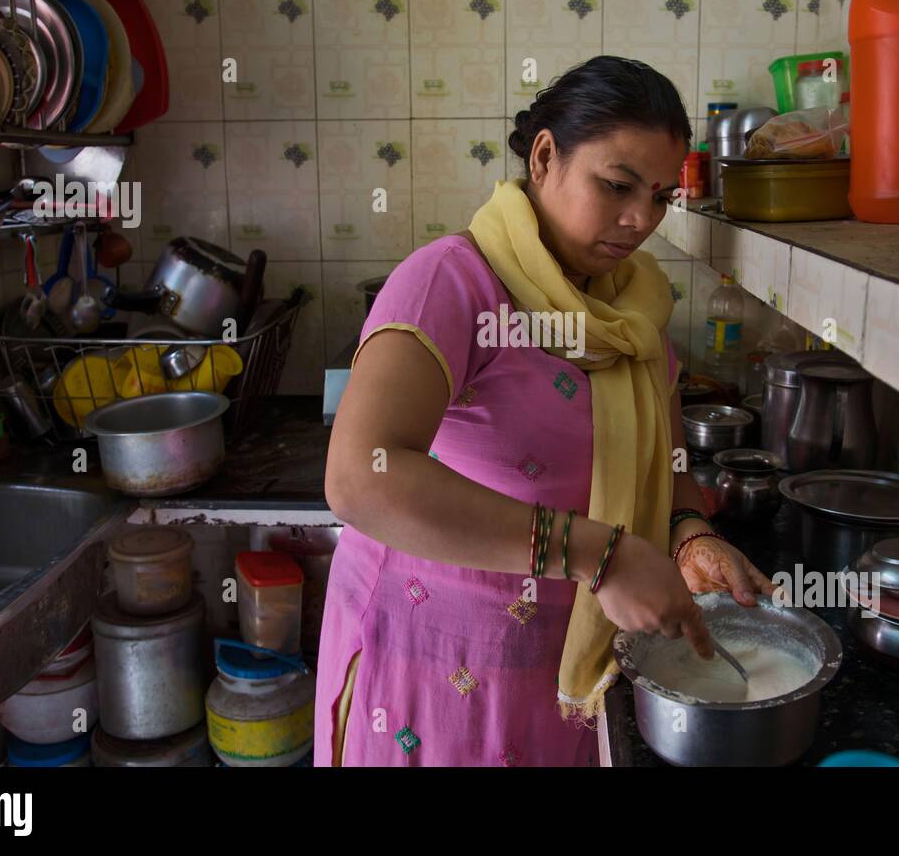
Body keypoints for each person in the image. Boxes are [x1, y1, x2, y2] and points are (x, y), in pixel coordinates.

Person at [317, 55, 778, 767]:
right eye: (617, 186)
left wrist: (688, 534)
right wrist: (602, 555)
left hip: (572, 669)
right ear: (543, 157)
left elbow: (663, 448)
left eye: (658, 197)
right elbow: (360, 477)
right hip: (438, 668)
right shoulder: (454, 282)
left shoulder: (635, 304)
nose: (640, 221)